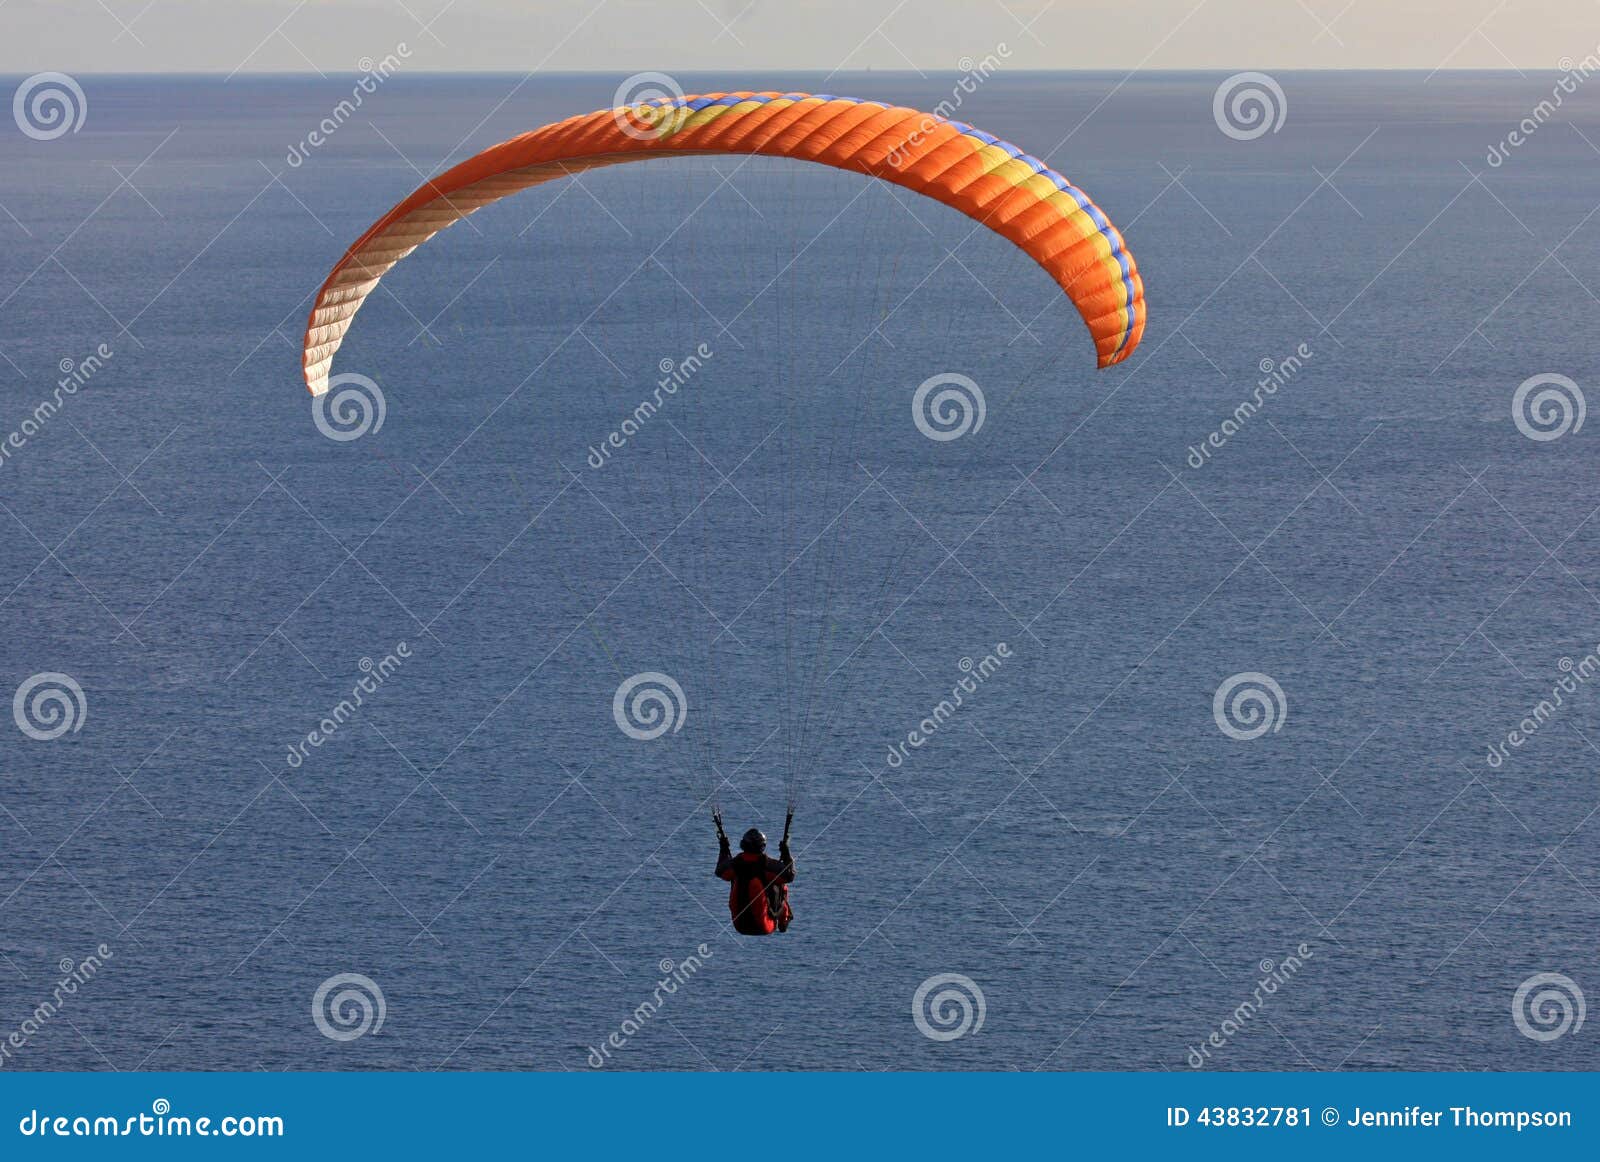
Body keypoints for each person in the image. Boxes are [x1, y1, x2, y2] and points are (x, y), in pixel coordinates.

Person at [714, 811, 794, 936]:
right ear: (762, 847)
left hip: (739, 925)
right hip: (765, 926)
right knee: (781, 885)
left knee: (738, 879)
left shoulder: (735, 865)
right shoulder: (768, 866)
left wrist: (723, 849)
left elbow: (720, 871)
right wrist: (786, 852)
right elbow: (789, 876)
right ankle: (783, 922)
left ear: (743, 845)